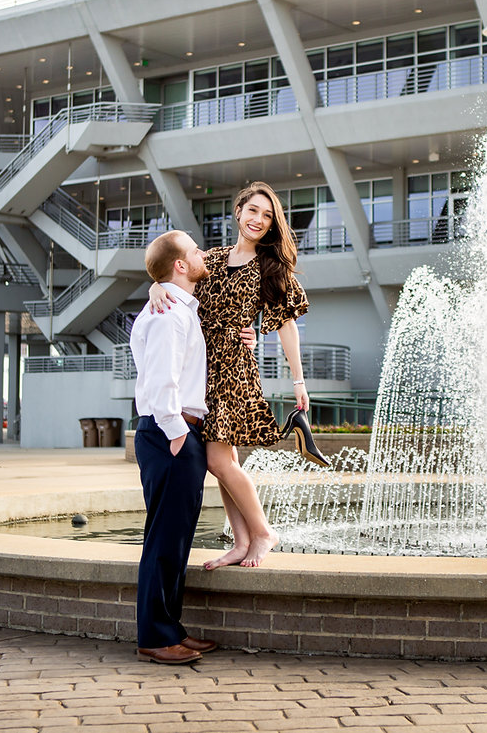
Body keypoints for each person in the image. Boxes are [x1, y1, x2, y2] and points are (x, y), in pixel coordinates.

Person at [150, 181, 309, 570]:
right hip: (202, 368)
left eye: (267, 215)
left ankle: (263, 532)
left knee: (218, 461)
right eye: (253, 210)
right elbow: (176, 271)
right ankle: (241, 541)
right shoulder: (214, 258)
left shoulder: (271, 267)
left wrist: (298, 380)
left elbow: (287, 325)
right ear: (238, 211)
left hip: (233, 371)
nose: (259, 220)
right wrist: (155, 287)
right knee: (224, 460)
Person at [128, 229, 219, 665]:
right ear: (180, 265)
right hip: (171, 433)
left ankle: (170, 628)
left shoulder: (174, 306)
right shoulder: (168, 314)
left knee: (175, 537)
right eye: (195, 250)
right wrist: (177, 432)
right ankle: (155, 637)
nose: (203, 254)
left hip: (173, 432)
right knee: (164, 539)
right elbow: (161, 377)